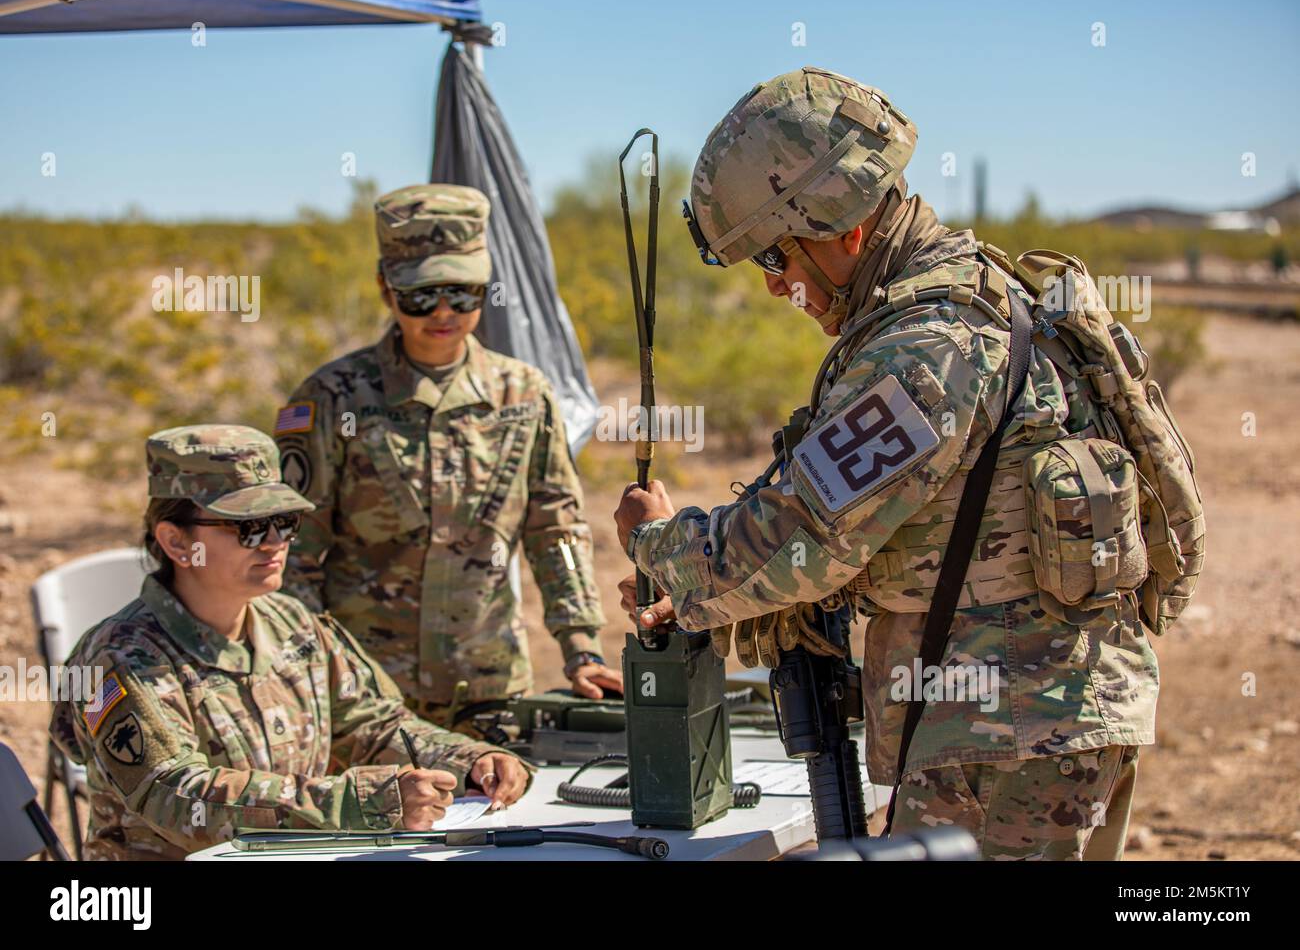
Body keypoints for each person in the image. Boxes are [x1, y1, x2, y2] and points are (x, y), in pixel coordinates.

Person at [614, 67, 1160, 860]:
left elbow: (802, 539)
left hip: (1009, 734)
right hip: (1027, 719)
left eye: (776, 256)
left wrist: (659, 543)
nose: (775, 288)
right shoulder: (962, 301)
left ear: (846, 230)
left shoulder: (930, 348)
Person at [50, 425, 529, 860]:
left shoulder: (293, 624)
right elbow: (179, 797)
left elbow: (373, 724)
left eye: (284, 523)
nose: (274, 542)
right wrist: (357, 803)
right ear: (177, 543)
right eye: (248, 527)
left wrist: (470, 761)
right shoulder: (120, 658)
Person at [275, 183, 619, 731]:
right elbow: (292, 554)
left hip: (488, 692)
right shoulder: (334, 397)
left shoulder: (524, 394)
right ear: (385, 290)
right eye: (421, 295)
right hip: (367, 703)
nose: (443, 312)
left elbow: (556, 529)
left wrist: (582, 648)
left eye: (462, 294)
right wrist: (312, 672)